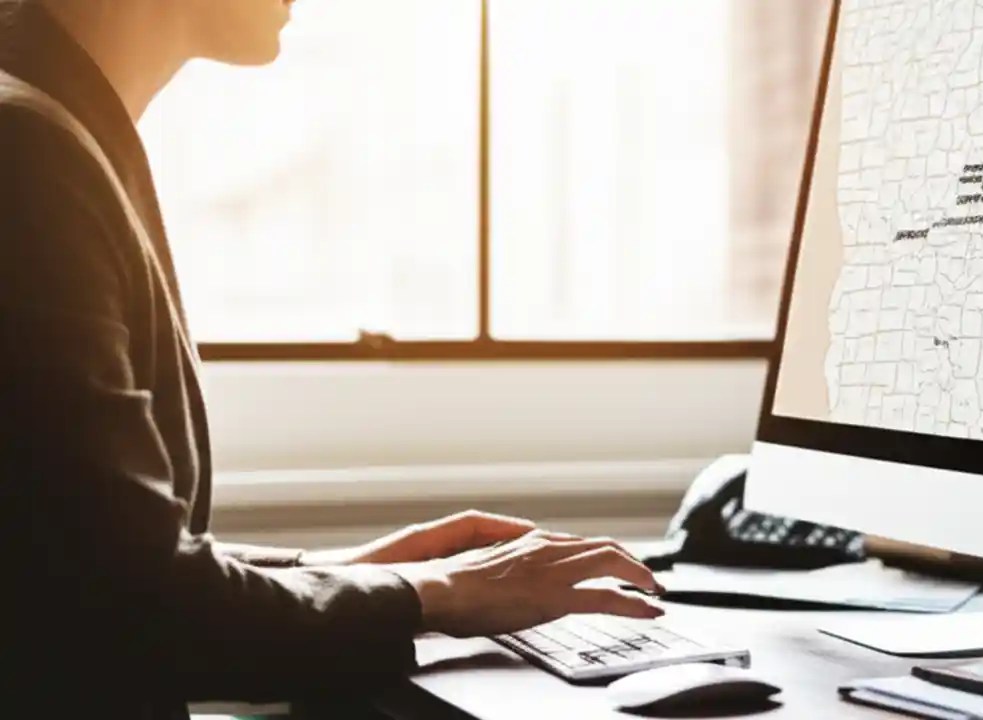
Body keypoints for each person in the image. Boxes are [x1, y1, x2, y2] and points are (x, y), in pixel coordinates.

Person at [0, 0, 663, 715]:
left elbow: (75, 554)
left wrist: (342, 571)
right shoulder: (28, 151)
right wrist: (446, 593)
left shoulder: (53, 124)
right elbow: (135, 608)